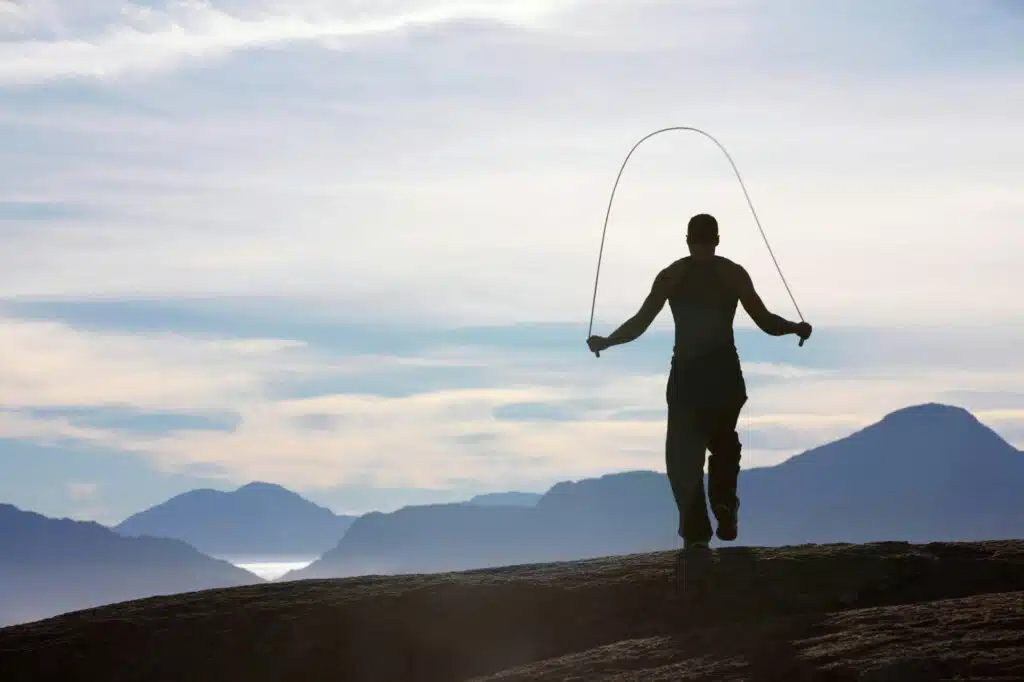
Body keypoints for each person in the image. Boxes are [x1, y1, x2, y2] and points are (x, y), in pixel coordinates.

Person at [586, 213, 811, 550]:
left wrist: (607, 341)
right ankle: (723, 504)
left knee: (682, 460)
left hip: (687, 379)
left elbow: (639, 323)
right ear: (717, 239)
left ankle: (696, 535)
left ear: (688, 240)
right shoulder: (732, 273)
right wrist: (796, 327)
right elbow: (765, 322)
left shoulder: (672, 275)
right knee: (722, 444)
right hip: (725, 376)